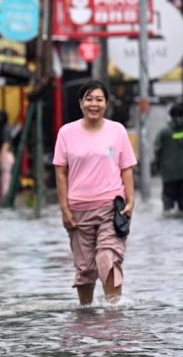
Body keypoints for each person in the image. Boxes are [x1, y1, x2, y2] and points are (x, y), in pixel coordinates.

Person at [53, 80, 136, 306]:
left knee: (107, 256)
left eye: (99, 99)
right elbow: (61, 172)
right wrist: (64, 209)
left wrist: (131, 200)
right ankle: (86, 316)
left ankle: (113, 312)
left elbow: (126, 167)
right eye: (89, 99)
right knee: (85, 269)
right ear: (80, 103)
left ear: (106, 104)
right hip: (78, 210)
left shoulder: (117, 131)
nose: (94, 104)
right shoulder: (66, 133)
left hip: (111, 207)